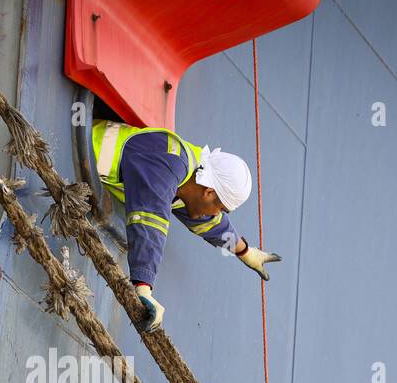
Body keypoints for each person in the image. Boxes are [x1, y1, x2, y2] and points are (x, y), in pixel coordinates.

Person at [91, 118, 280, 331]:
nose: (217, 214)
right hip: (79, 148)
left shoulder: (191, 179)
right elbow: (149, 222)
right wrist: (143, 288)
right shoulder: (168, 165)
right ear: (208, 192)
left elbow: (212, 224)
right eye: (220, 208)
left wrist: (245, 252)